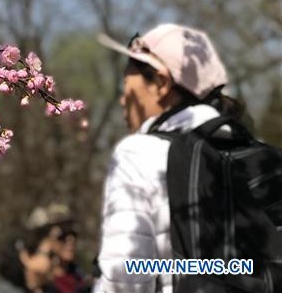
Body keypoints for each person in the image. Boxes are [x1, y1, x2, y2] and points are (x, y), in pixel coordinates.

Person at [93, 23, 242, 292]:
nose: (122, 99)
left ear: (161, 83)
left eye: (126, 83)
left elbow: (125, 279)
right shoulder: (250, 151)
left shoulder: (138, 154)